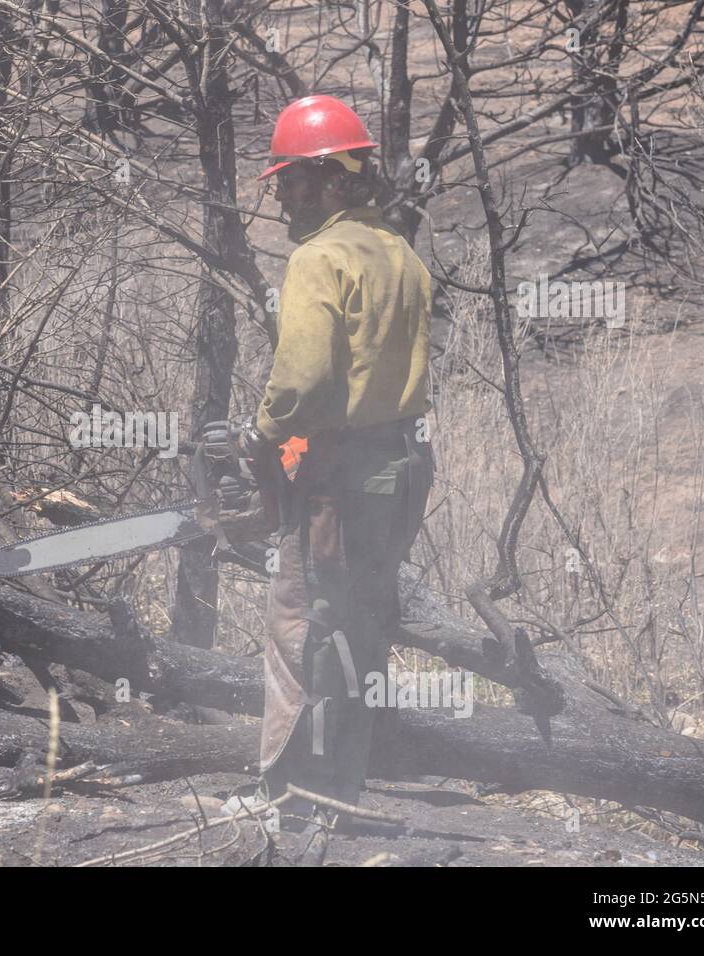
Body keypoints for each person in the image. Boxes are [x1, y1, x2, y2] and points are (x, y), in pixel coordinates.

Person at [240, 95, 435, 862]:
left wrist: (263, 436)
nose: (282, 195)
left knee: (299, 627)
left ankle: (288, 802)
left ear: (327, 179)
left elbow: (302, 377)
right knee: (361, 625)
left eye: (290, 180)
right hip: (401, 467)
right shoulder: (399, 253)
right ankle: (345, 788)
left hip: (342, 477)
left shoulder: (318, 259)